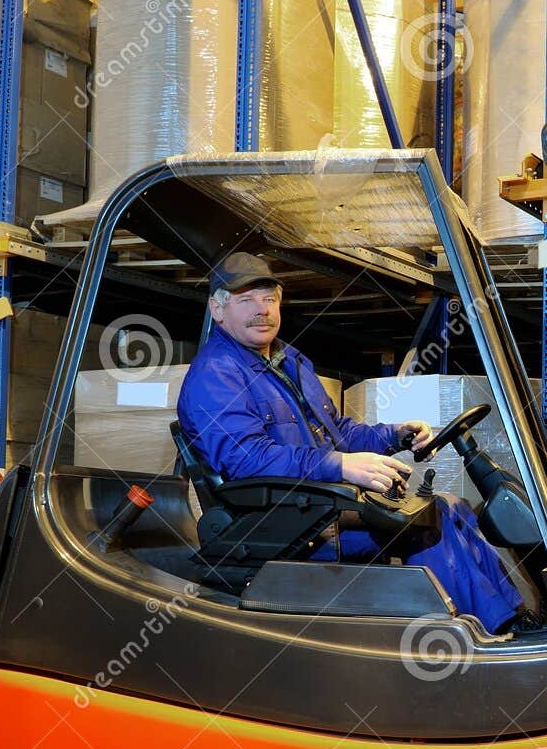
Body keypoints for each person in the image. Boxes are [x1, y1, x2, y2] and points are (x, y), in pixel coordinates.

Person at [176, 252, 527, 634]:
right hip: (292, 523)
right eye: (246, 300)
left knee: (453, 507)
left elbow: (337, 431)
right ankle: (490, 633)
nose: (261, 310)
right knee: (430, 520)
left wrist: (394, 435)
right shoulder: (216, 375)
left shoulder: (287, 359)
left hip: (319, 501)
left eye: (269, 299)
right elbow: (247, 460)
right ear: (218, 309)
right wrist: (340, 466)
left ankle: (509, 620)